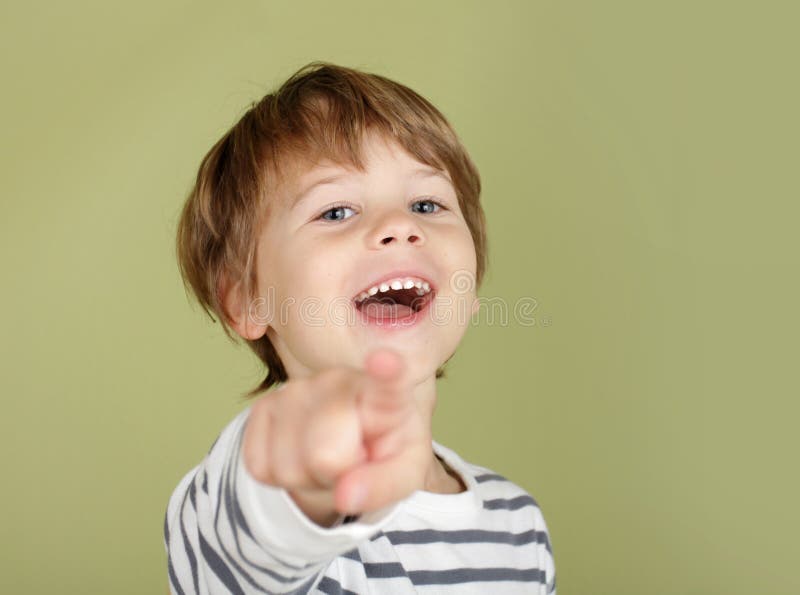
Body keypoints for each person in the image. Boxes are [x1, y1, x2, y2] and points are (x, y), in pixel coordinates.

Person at [165, 60, 556, 594]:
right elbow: (256, 528)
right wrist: (306, 481)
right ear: (249, 298)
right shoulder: (246, 500)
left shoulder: (519, 526)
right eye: (335, 212)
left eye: (426, 204)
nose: (400, 225)